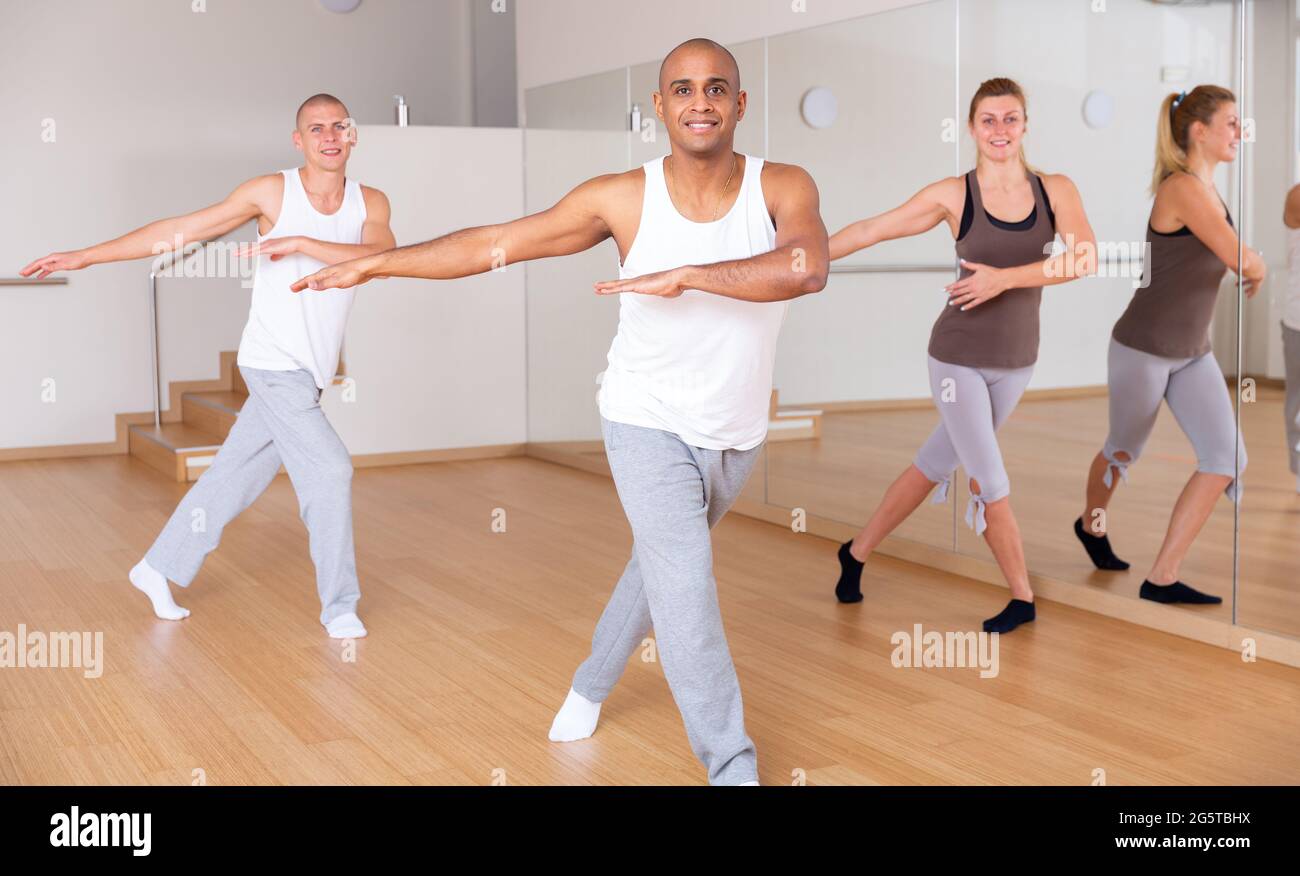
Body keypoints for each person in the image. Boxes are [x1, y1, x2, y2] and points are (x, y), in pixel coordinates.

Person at [291, 39, 829, 786]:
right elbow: (496, 244)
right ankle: (731, 764)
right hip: (643, 418)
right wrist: (381, 261)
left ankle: (590, 683)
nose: (698, 103)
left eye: (715, 89)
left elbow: (806, 267)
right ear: (659, 107)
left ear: (740, 104)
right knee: (686, 583)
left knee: (659, 572)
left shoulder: (782, 186)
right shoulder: (621, 197)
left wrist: (691, 276)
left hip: (735, 431)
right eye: (681, 89)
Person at [21, 94, 396, 638]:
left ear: (353, 134)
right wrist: (85, 255)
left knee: (236, 474)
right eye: (316, 129)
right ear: (300, 140)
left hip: (311, 370)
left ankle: (157, 567)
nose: (329, 136)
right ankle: (340, 606)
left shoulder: (372, 203)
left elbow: (380, 261)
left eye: (339, 126)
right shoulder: (271, 191)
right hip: (272, 363)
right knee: (331, 469)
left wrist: (300, 243)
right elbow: (183, 229)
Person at [829, 78, 1096, 634]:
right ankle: (1022, 597)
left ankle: (854, 553)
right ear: (972, 127)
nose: (1000, 130)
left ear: (1025, 125)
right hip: (957, 359)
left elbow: (1085, 260)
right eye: (989, 120)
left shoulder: (1056, 190)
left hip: (1018, 361)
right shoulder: (955, 195)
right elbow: (874, 229)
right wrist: (800, 256)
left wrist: (1004, 280)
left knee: (932, 466)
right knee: (989, 479)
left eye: (1011, 118)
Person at [1075, 85, 1263, 606]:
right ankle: (1091, 525)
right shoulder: (1181, 188)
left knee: (1226, 457)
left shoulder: (1209, 191)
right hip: (1142, 348)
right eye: (1230, 123)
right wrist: (1257, 264)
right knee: (1123, 448)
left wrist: (1247, 263)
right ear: (1198, 131)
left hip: (1192, 353)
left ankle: (1162, 576)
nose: (1238, 132)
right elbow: (1240, 258)